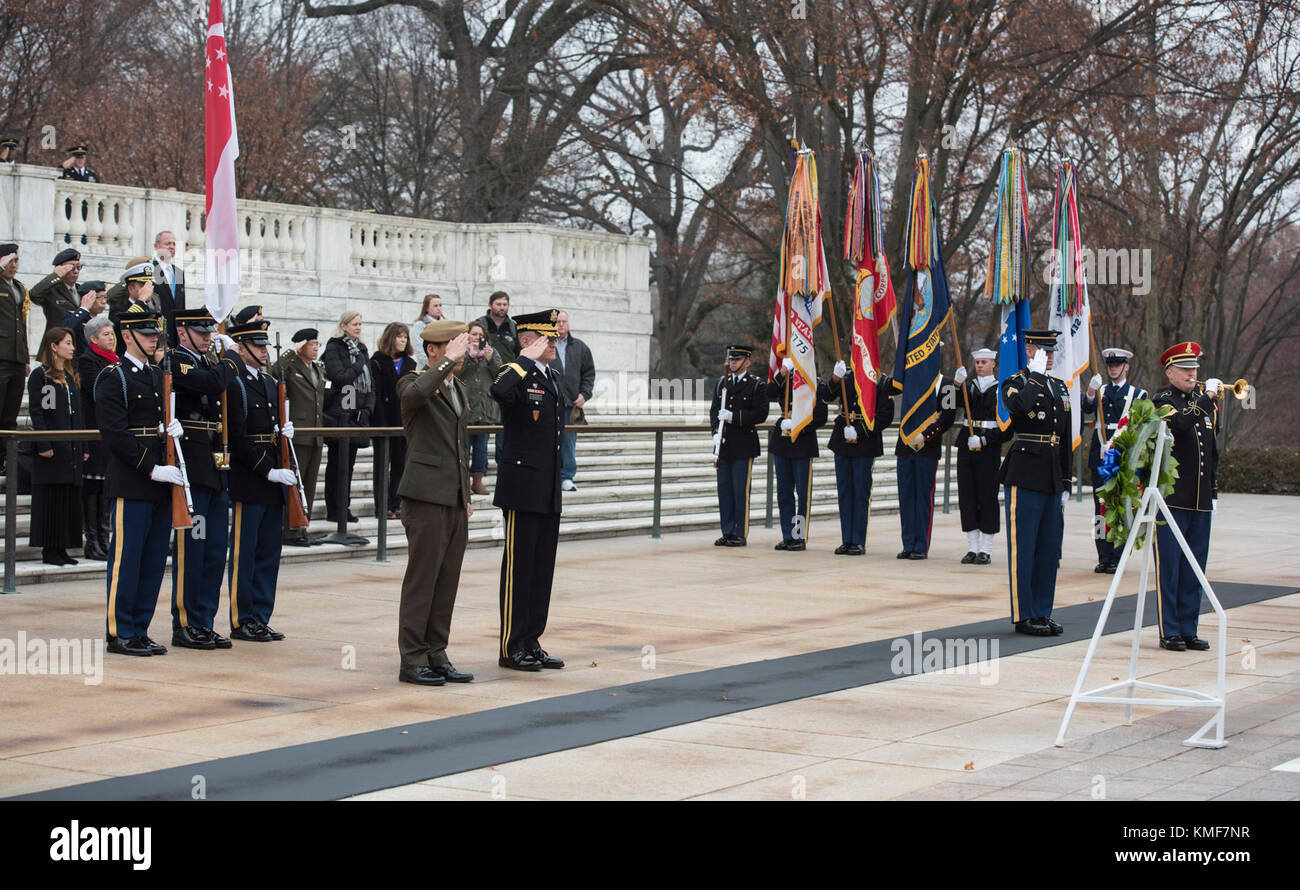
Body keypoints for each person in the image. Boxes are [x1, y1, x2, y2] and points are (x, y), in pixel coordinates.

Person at [395, 321, 476, 686]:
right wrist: (446, 363)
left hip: (453, 497)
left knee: (446, 581)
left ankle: (436, 652)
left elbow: (460, 448)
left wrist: (466, 495)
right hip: (425, 496)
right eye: (453, 345)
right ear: (432, 350)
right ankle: (412, 658)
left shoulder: (457, 387)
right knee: (422, 580)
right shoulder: (411, 380)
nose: (460, 351)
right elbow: (415, 396)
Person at [95, 306, 178, 656]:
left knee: (153, 559)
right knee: (127, 559)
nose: (152, 340)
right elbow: (114, 434)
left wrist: (174, 432)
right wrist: (151, 467)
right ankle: (120, 631)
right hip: (133, 479)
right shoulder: (115, 377)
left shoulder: (157, 375)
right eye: (146, 335)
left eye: (154, 335)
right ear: (127, 336)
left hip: (160, 480)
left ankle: (140, 628)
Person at [492, 309, 565, 672]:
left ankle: (532, 639)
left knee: (540, 569)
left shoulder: (552, 376)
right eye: (546, 338)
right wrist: (523, 360)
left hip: (547, 486)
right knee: (519, 568)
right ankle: (511, 644)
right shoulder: (514, 371)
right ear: (527, 340)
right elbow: (498, 391)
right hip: (522, 486)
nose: (553, 343)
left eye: (554, 338)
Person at [169, 308, 242, 651]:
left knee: (214, 550)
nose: (207, 336)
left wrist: (221, 358)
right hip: (193, 465)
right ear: (182, 332)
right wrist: (229, 357)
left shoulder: (206, 360)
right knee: (192, 550)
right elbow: (213, 383)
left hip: (214, 463)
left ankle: (205, 621)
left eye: (209, 331)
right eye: (200, 332)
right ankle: (186, 623)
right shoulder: (177, 360)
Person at [999, 329, 1073, 637]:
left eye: (1052, 350)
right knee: (1024, 548)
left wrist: (1067, 480)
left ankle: (1043, 610)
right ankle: (1024, 613)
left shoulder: (1059, 387)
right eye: (1043, 349)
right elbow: (1018, 409)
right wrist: (1036, 376)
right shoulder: (1016, 383)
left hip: (1052, 475)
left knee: (1048, 549)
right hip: (1025, 472)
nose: (1050, 354)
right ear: (1029, 349)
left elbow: (1065, 435)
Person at [226, 318, 294, 643]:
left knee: (268, 552)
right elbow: (238, 437)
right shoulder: (236, 384)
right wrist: (267, 469)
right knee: (246, 553)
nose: (264, 351)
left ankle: (261, 615)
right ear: (240, 348)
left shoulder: (269, 383)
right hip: (250, 478)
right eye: (257, 345)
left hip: (273, 480)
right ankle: (242, 618)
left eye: (265, 345)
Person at [1152, 341, 1219, 652]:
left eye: (1194, 369)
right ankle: (1171, 630)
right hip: (1173, 499)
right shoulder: (1163, 400)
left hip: (1199, 499)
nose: (1192, 374)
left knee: (1195, 566)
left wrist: (1213, 492)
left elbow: (1212, 454)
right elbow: (1178, 424)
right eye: (1185, 369)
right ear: (1170, 371)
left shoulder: (1204, 406)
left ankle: (1189, 627)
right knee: (1171, 566)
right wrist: (1204, 400)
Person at [27, 328, 89, 565]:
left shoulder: (71, 377)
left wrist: (83, 445)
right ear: (53, 346)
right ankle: (50, 548)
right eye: (67, 343)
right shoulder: (42, 377)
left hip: (71, 447)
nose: (72, 348)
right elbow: (39, 412)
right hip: (53, 448)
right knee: (51, 498)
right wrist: (45, 442)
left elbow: (79, 414)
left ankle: (63, 546)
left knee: (67, 497)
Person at [1083, 347, 1147, 574]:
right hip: (1100, 456)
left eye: (1117, 365)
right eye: (1110, 366)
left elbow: (1140, 427)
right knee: (1100, 510)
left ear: (1126, 367)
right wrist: (1090, 392)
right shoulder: (1100, 392)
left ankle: (1118, 556)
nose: (1113, 369)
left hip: (1122, 457)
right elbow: (1086, 409)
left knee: (1120, 508)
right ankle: (1103, 555)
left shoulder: (1138, 395)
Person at [819, 363, 894, 555]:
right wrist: (835, 378)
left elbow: (885, 416)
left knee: (860, 492)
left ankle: (858, 540)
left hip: (865, 442)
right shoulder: (846, 377)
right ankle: (847, 539)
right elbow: (826, 397)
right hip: (843, 439)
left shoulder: (880, 381)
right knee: (845, 492)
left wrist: (860, 431)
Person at [270, 328, 326, 546]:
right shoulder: (291, 366)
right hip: (298, 434)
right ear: (301, 345)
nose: (315, 348)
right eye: (311, 343)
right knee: (295, 483)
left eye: (317, 344)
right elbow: (274, 373)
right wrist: (289, 352)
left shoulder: (317, 369)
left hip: (315, 434)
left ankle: (303, 526)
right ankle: (290, 530)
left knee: (309, 486)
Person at [709, 344, 769, 546]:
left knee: (739, 490)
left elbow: (761, 413)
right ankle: (727, 530)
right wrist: (715, 433)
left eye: (737, 360)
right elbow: (714, 411)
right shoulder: (721, 384)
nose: (732, 363)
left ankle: (739, 533)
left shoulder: (755, 385)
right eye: (731, 359)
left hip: (743, 444)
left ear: (747, 362)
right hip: (724, 445)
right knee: (724, 490)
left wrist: (734, 417)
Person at [767, 357, 828, 550]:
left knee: (802, 495)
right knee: (784, 494)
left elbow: (821, 416)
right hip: (782, 443)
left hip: (803, 443)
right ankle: (787, 535)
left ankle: (799, 536)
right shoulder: (785, 380)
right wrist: (782, 371)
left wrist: (798, 424)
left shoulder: (815, 383)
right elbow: (767, 393)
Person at [895, 376, 957, 559]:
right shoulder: (910, 379)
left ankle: (921, 545)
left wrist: (926, 435)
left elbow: (948, 418)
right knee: (905, 498)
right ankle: (908, 543)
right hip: (906, 447)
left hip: (927, 448)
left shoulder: (947, 385)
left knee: (923, 498)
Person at [954, 349, 1006, 565]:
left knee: (987, 496)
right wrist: (956, 386)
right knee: (967, 496)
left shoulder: (1001, 389)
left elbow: (1007, 427)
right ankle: (972, 547)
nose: (979, 366)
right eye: (977, 362)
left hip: (988, 446)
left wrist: (985, 440)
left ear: (993, 364)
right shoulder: (968, 386)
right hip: (967, 442)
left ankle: (986, 548)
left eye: (984, 362)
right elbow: (950, 405)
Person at [322, 310, 374, 524]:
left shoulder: (362, 349)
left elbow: (371, 383)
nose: (358, 327)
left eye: (360, 324)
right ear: (343, 325)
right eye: (354, 324)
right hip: (339, 411)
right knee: (337, 462)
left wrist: (369, 408)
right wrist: (357, 364)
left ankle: (345, 505)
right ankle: (334, 508)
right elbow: (340, 377)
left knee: (349, 463)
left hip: (358, 412)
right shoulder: (334, 347)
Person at [78, 314, 116, 560]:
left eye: (112, 334)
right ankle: (93, 540)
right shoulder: (88, 360)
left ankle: (104, 535)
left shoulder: (116, 360)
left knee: (105, 487)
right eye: (106, 334)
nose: (111, 338)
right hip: (94, 427)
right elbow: (97, 390)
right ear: (93, 338)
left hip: (110, 428)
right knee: (93, 485)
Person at [371, 322, 416, 519]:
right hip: (383, 420)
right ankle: (381, 505)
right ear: (391, 338)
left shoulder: (410, 364)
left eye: (405, 337)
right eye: (399, 337)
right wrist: (379, 423)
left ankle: (395, 504)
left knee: (400, 465)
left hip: (404, 421)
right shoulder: (377, 361)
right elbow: (376, 394)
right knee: (382, 465)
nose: (403, 340)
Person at [457, 320, 502, 496]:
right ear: (467, 335)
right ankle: (463, 482)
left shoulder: (492, 352)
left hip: (485, 407)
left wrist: (489, 360)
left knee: (481, 448)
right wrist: (471, 358)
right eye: (474, 334)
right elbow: (458, 375)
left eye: (480, 335)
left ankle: (477, 481)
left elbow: (500, 375)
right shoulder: (461, 353)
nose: (477, 338)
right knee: (464, 447)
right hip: (466, 407)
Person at [554, 311, 595, 491]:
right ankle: (549, 476)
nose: (561, 325)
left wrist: (584, 394)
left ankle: (566, 477)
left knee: (568, 442)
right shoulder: (544, 344)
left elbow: (589, 374)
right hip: (548, 403)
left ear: (568, 324)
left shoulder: (580, 347)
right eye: (557, 322)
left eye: (564, 321)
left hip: (570, 405)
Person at [0, 243, 29, 475]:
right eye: (10, 260)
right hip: (1, 357)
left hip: (17, 358)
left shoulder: (19, 287)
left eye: (16, 261)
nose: (14, 265)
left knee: (10, 415)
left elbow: (22, 325)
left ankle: (5, 461)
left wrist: (26, 356)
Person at [108, 259, 159, 356]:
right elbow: (120, 325)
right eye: (142, 285)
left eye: (149, 285)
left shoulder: (151, 311)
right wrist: (141, 300)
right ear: (131, 289)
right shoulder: (118, 307)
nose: (148, 289)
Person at [28, 248, 82, 335]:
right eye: (71, 267)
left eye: (78, 267)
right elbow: (33, 295)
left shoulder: (82, 291)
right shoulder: (52, 290)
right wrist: (55, 276)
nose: (76, 271)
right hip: (57, 341)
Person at [61, 280, 108, 355]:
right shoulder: (74, 317)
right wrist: (84, 308)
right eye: (99, 297)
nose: (104, 301)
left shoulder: (101, 322)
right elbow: (65, 331)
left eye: (105, 297)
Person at [152, 231, 185, 337]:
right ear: (156, 246)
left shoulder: (179, 272)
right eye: (167, 244)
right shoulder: (150, 269)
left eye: (174, 244)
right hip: (158, 330)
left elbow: (181, 305)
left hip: (177, 332)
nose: (172, 247)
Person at [475, 290, 519, 361]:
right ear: (490, 305)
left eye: (505, 304)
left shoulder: (513, 326)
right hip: (486, 369)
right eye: (498, 304)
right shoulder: (480, 324)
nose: (502, 308)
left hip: (508, 369)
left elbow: (518, 351)